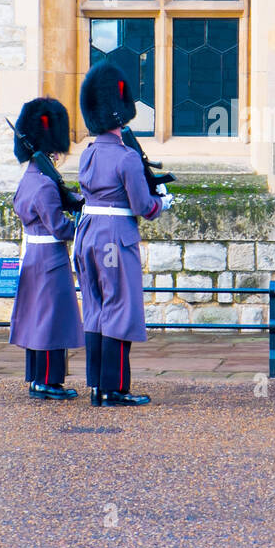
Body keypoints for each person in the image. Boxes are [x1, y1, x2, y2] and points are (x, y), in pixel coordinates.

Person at [74, 62, 175, 407]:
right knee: (118, 306)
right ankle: (115, 389)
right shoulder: (127, 157)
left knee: (96, 307)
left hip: (87, 235)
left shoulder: (87, 154)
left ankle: (97, 387)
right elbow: (141, 206)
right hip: (115, 239)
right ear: (121, 115)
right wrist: (164, 203)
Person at [8, 97, 84, 400]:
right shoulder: (44, 184)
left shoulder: (30, 178)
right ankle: (51, 383)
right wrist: (84, 224)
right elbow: (58, 227)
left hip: (34, 257)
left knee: (36, 320)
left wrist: (72, 200)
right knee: (53, 322)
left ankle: (36, 379)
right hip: (51, 259)